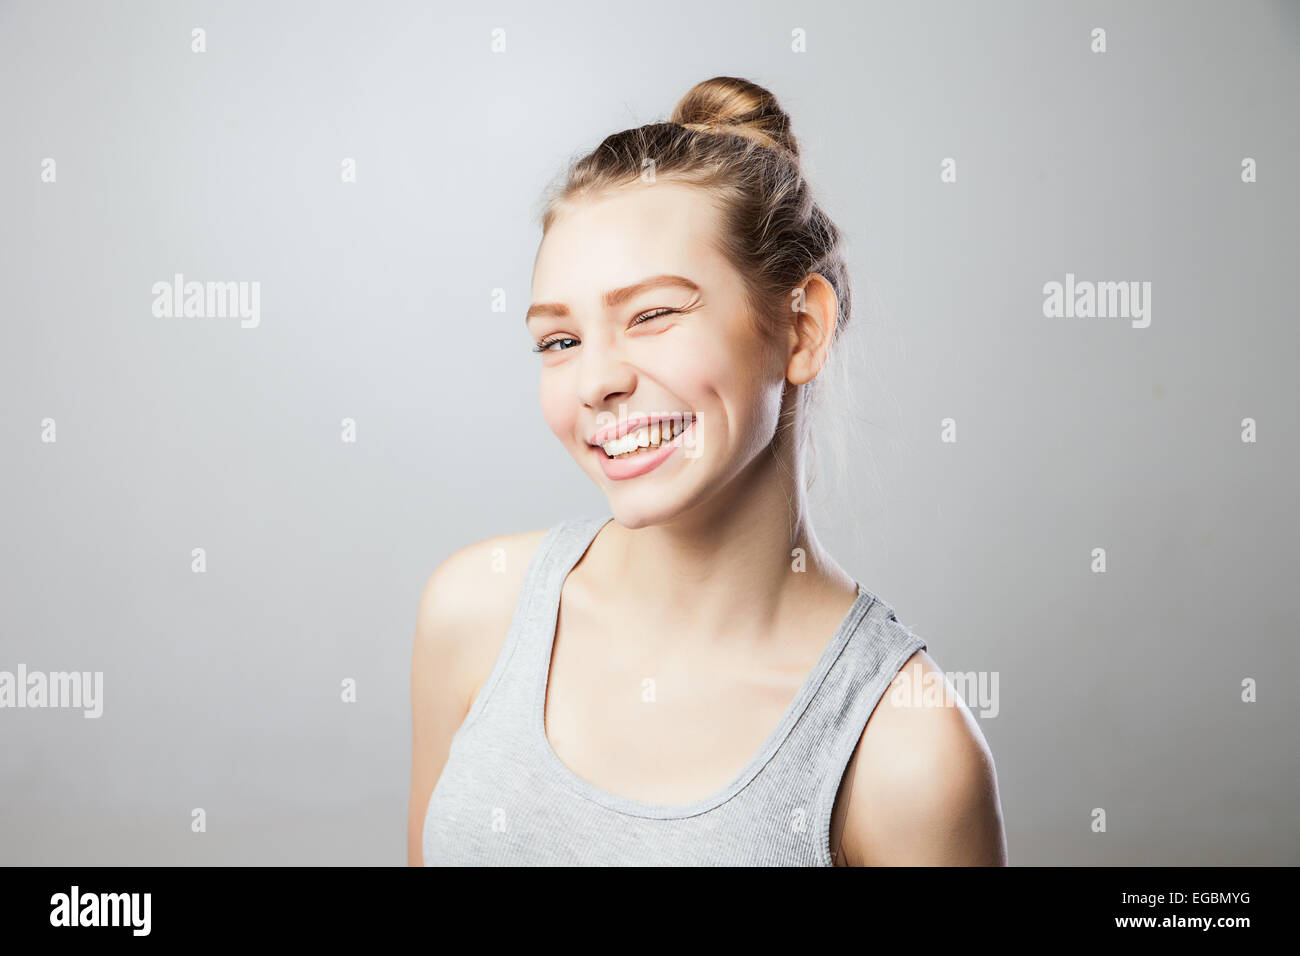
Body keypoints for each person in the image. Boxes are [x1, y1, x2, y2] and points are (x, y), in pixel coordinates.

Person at [409, 76, 1007, 866]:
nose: (595, 382)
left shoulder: (903, 748)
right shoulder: (473, 612)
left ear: (800, 328)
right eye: (560, 341)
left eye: (653, 314)